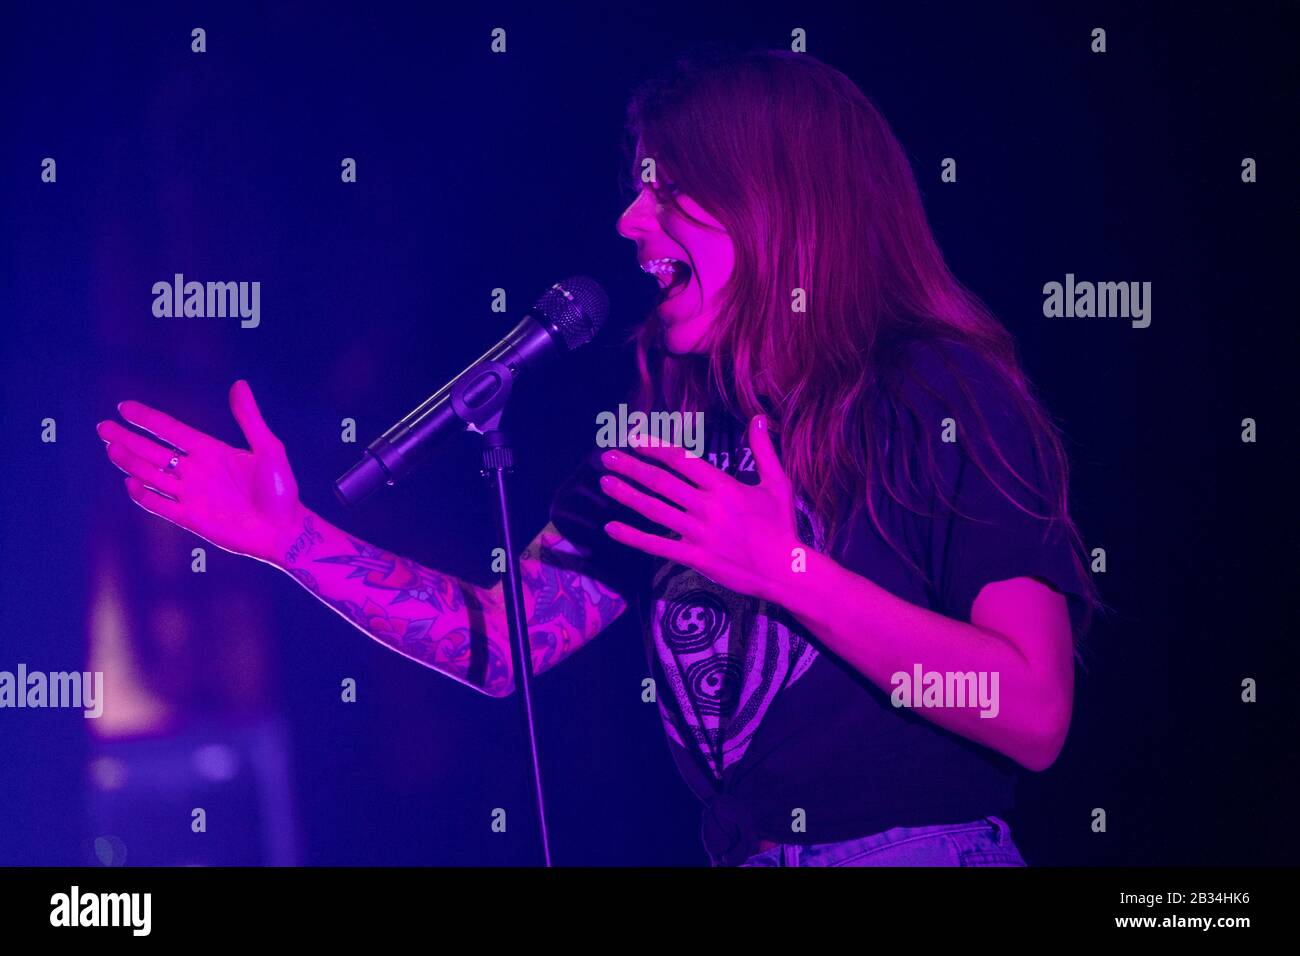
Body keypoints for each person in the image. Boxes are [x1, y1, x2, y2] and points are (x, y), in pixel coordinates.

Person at [96, 48, 1099, 867]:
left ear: (779, 203)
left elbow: (1032, 707)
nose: (628, 221)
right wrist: (292, 541)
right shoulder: (675, 442)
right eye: (635, 189)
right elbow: (497, 643)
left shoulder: (933, 392)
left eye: (668, 189)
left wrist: (784, 570)